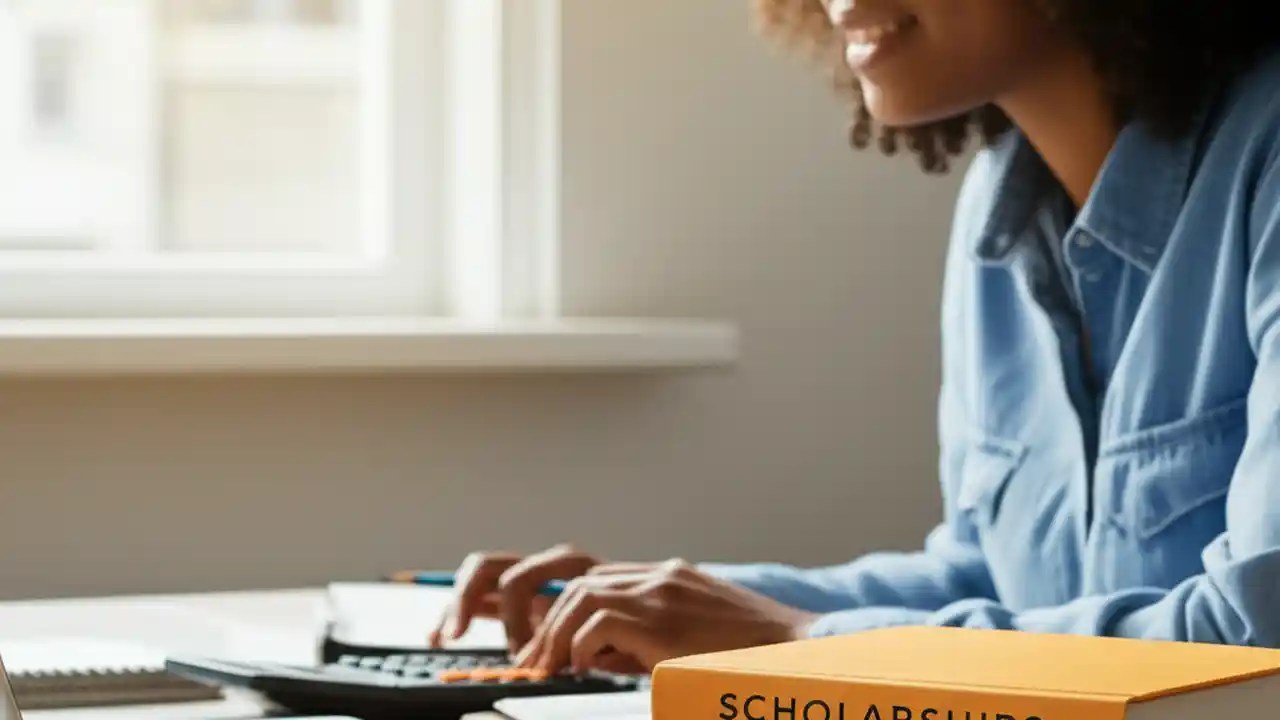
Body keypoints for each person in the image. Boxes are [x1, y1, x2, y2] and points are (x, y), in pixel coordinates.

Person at [430, 0, 1280, 675]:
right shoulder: (1003, 208)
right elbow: (991, 579)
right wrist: (662, 604)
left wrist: (802, 642)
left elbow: (1256, 635)